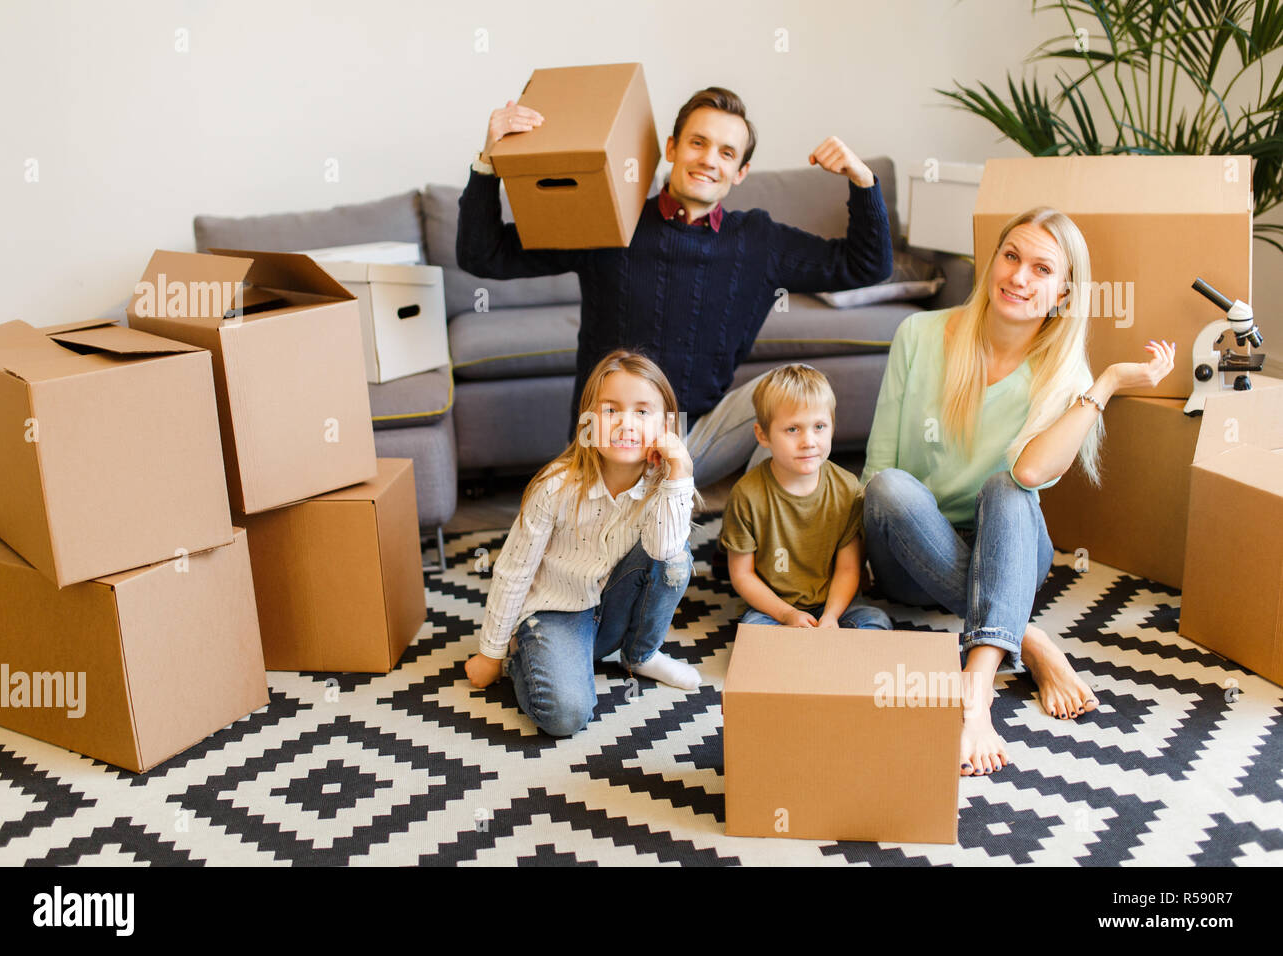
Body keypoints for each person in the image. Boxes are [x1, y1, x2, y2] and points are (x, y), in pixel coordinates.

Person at [860, 206, 1176, 777]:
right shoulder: (919, 334)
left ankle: (974, 698)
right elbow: (877, 468)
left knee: (1006, 488)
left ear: (1063, 293)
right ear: (993, 260)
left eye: (1041, 269)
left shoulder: (1066, 377)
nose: (1019, 278)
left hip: (1005, 551)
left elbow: (1030, 476)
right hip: (909, 551)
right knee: (889, 487)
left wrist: (1104, 384)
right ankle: (1026, 637)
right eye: (1011, 256)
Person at [457, 86, 893, 489]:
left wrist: (862, 181)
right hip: (607, 441)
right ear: (672, 148)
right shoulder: (614, 221)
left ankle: (757, 538)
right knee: (621, 567)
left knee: (787, 392)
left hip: (692, 443)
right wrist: (488, 162)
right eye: (698, 143)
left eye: (726, 152)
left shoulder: (759, 242)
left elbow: (866, 266)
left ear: (740, 172)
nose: (708, 160)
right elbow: (484, 256)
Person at [464, 349, 701, 737]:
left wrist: (681, 472)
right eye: (611, 411)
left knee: (675, 558)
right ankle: (523, 655)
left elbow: (663, 555)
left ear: (667, 426)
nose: (626, 424)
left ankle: (640, 655)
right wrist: (490, 655)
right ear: (588, 421)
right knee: (565, 717)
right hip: (559, 613)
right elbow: (513, 571)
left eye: (642, 412)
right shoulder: (555, 486)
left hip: (612, 613)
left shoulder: (664, 484)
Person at [720, 363, 891, 631]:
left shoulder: (847, 489)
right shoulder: (746, 495)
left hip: (835, 604)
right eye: (793, 430)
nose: (809, 441)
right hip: (773, 607)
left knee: (875, 622)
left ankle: (826, 658)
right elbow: (742, 574)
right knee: (754, 633)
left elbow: (848, 569)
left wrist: (831, 617)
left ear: (833, 427)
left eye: (819, 426)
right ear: (763, 435)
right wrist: (787, 614)